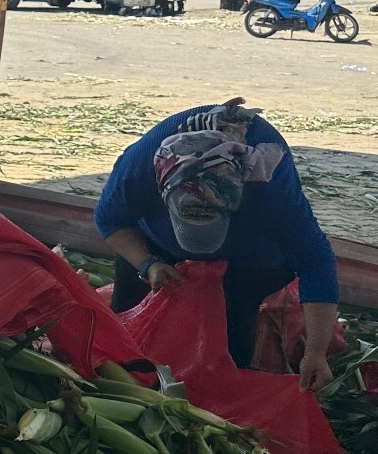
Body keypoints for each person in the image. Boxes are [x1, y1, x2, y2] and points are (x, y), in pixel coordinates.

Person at [95, 99, 338, 390]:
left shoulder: (269, 180)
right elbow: (110, 220)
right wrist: (148, 264)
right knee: (126, 325)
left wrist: (315, 353)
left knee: (231, 337)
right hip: (157, 241)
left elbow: (316, 262)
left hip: (249, 256)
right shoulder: (141, 165)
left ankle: (220, 388)